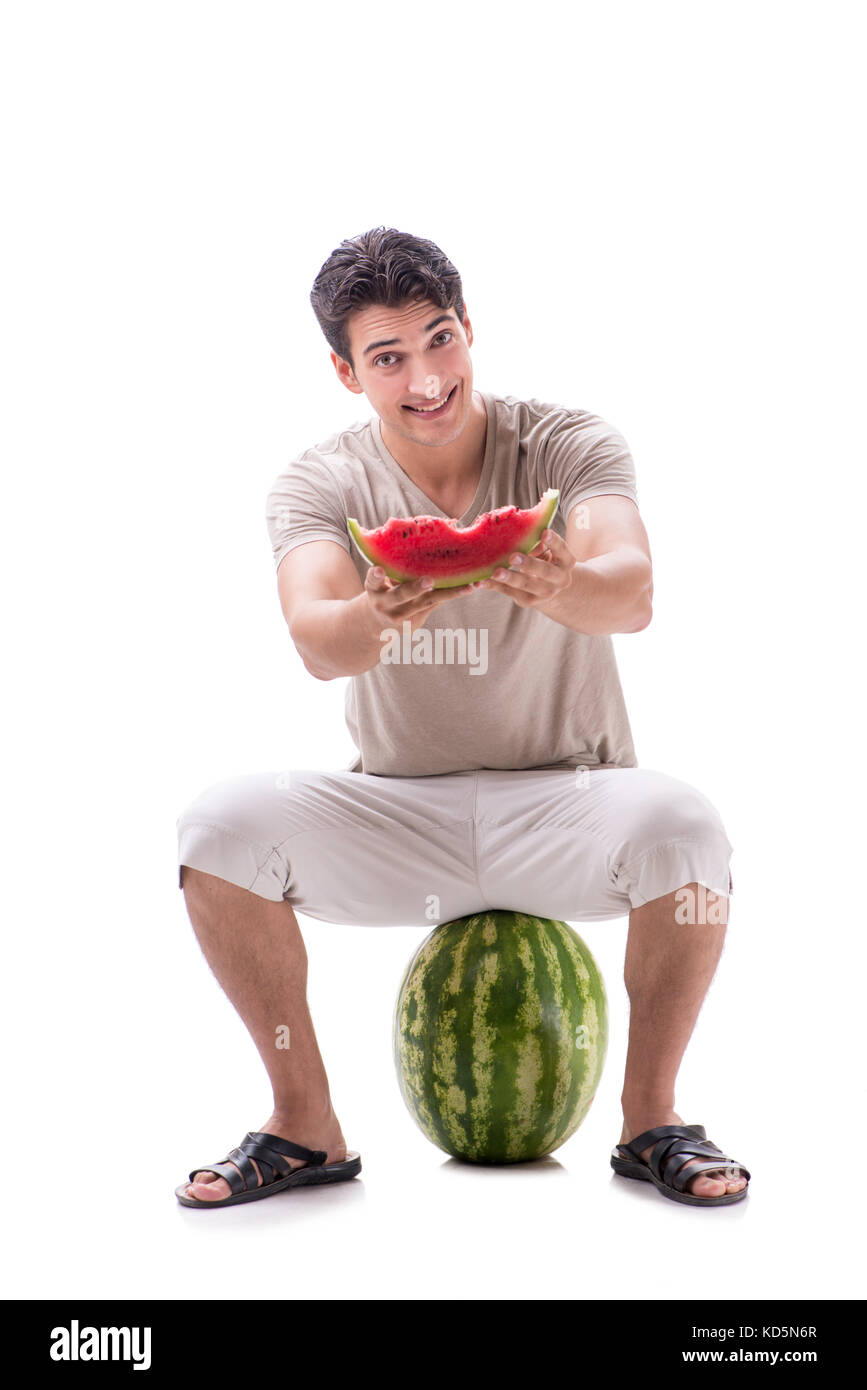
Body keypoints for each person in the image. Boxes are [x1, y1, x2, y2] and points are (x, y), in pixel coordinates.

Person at [174, 227, 750, 1210]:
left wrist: (563, 581)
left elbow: (634, 589)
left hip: (571, 803)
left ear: (469, 327)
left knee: (689, 829)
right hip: (400, 813)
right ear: (344, 371)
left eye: (440, 339)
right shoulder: (319, 483)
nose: (427, 377)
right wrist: (377, 612)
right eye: (389, 357)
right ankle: (304, 1121)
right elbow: (317, 639)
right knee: (217, 829)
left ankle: (651, 1117)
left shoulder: (569, 443)